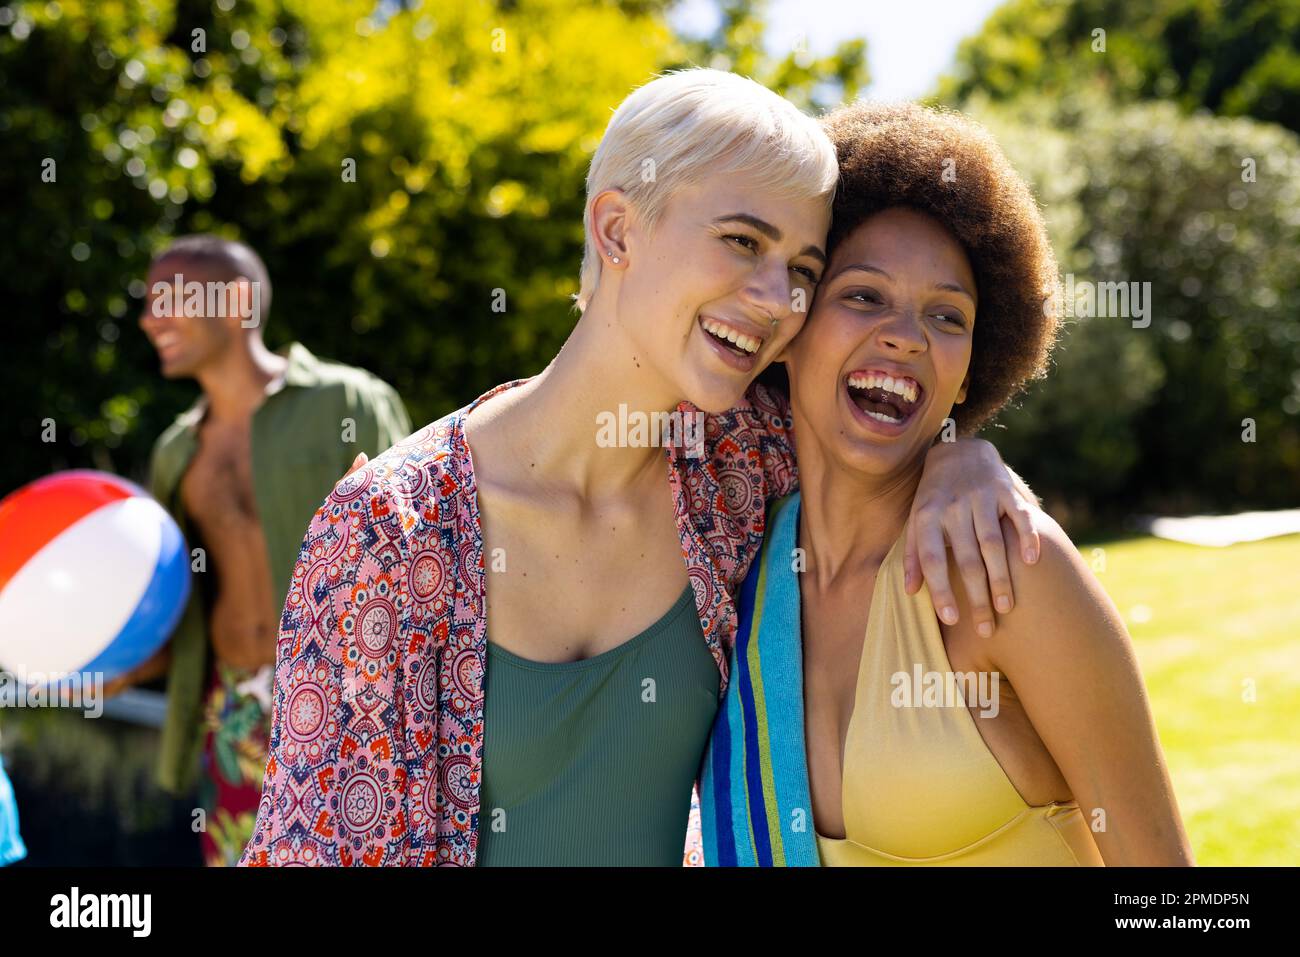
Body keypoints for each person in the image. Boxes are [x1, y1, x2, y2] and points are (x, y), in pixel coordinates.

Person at [240, 71, 1045, 867]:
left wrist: (959, 458)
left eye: (803, 270)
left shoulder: (743, 469)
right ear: (618, 230)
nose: (776, 299)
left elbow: (880, 424)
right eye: (742, 241)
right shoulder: (389, 530)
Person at [699, 102, 1194, 866]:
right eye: (863, 295)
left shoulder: (1009, 570)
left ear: (970, 374)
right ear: (791, 328)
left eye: (948, 315)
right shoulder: (733, 566)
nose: (906, 335)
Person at [120, 234, 411, 866]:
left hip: (352, 698)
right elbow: (170, 602)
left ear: (238, 302)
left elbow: (423, 553)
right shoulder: (177, 449)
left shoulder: (348, 401)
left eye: (169, 298)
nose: (149, 318)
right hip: (232, 712)